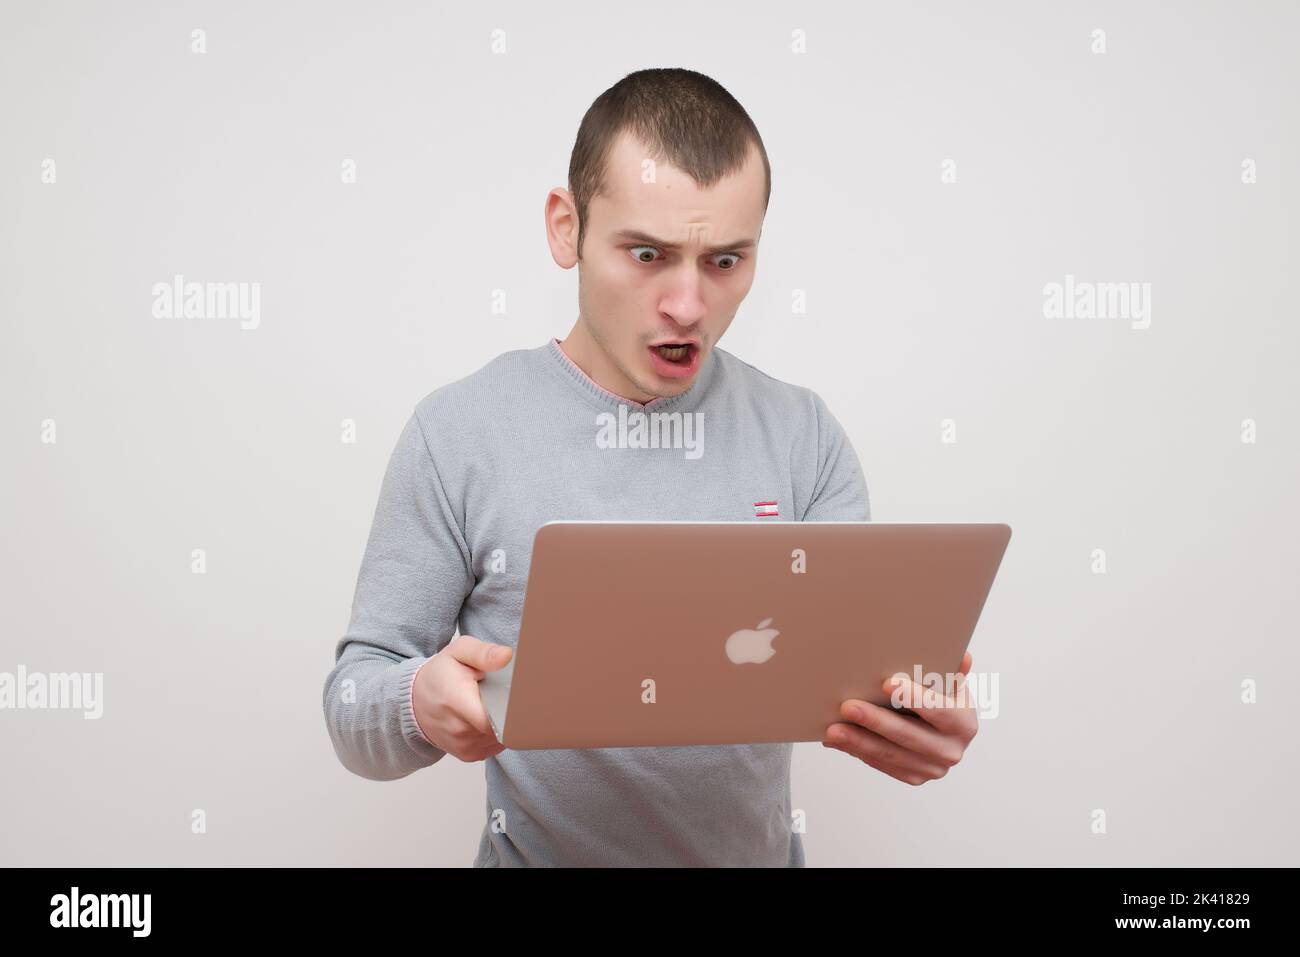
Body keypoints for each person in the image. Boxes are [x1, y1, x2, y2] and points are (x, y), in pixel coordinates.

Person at [322, 67, 977, 867]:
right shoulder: (457, 433)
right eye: (646, 253)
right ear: (567, 229)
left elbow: (853, 681)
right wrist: (416, 703)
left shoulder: (804, 435)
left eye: (725, 261)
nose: (688, 306)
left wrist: (917, 718)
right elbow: (354, 703)